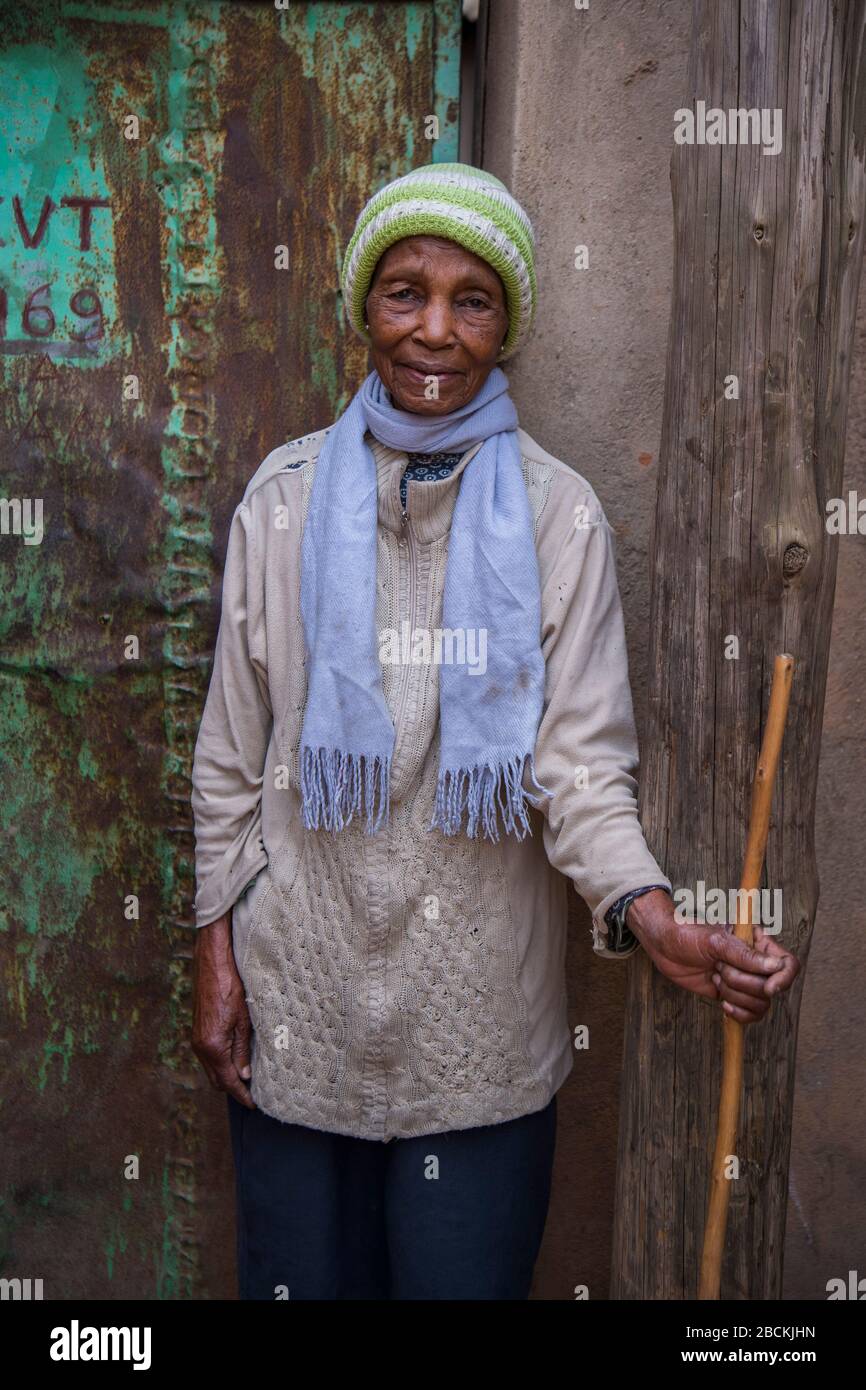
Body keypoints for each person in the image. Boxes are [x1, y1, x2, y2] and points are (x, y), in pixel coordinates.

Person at [190, 162, 800, 1301]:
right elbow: (229, 761)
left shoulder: (558, 516)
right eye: (403, 292)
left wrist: (651, 916)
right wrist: (213, 954)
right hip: (300, 1012)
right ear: (361, 306)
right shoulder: (283, 500)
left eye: (471, 300)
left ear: (507, 323)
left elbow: (577, 768)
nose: (434, 331)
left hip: (476, 1036)